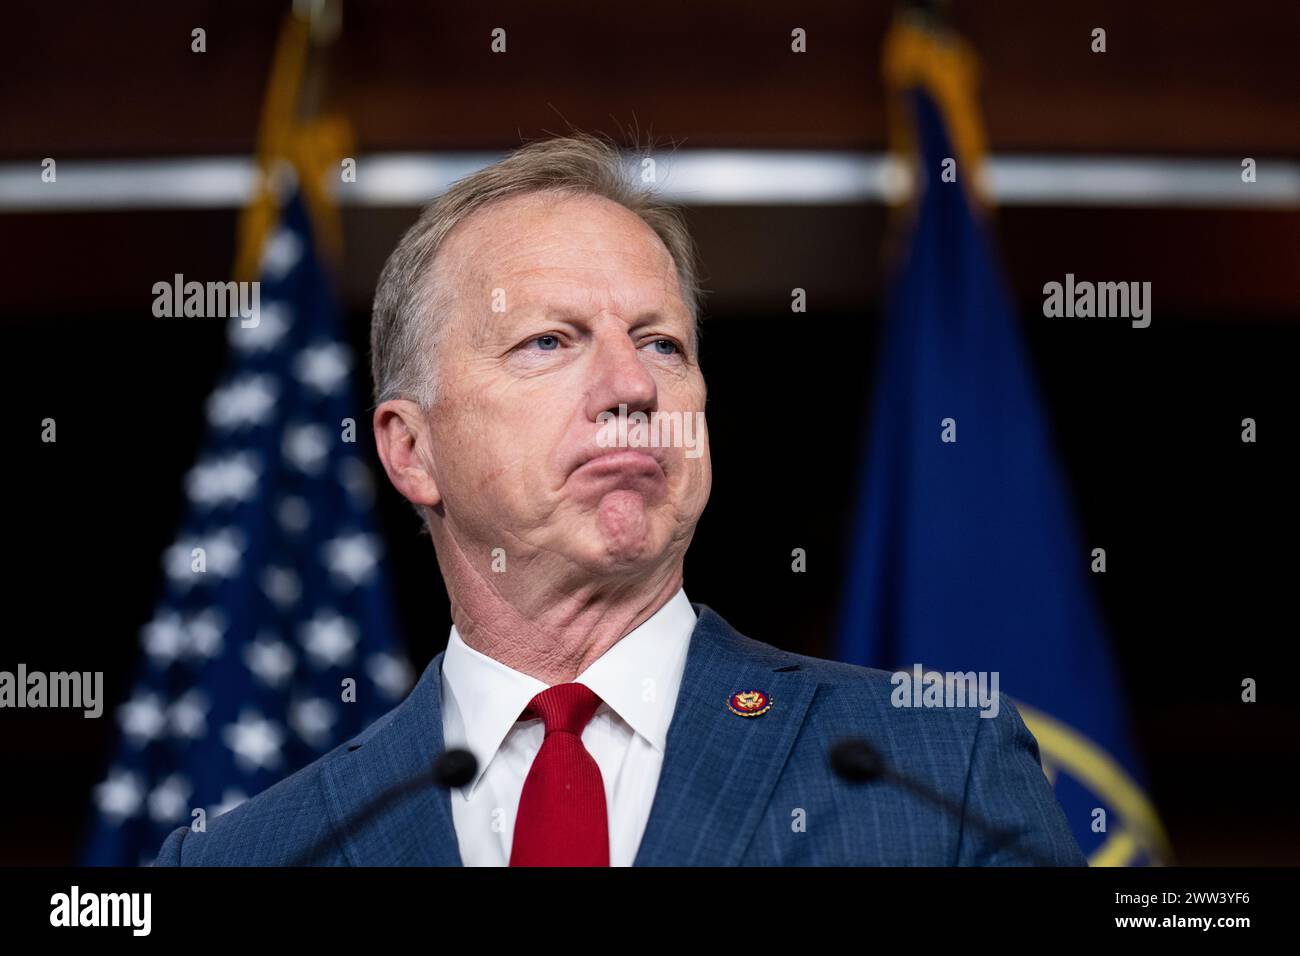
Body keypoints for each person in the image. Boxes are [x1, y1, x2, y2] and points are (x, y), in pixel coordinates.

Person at [155, 133, 1084, 866]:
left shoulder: (936, 768)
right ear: (410, 448)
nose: (631, 386)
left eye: (662, 344)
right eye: (550, 342)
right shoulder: (250, 855)